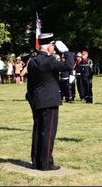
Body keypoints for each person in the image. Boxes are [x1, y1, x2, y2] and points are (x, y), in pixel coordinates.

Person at [26, 33, 74, 171]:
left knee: (38, 131)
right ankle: (46, 163)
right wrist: (66, 52)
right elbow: (68, 66)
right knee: (48, 133)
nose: (54, 49)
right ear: (48, 48)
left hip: (37, 100)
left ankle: (36, 161)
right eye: (52, 46)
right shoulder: (49, 61)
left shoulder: (33, 61)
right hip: (49, 101)